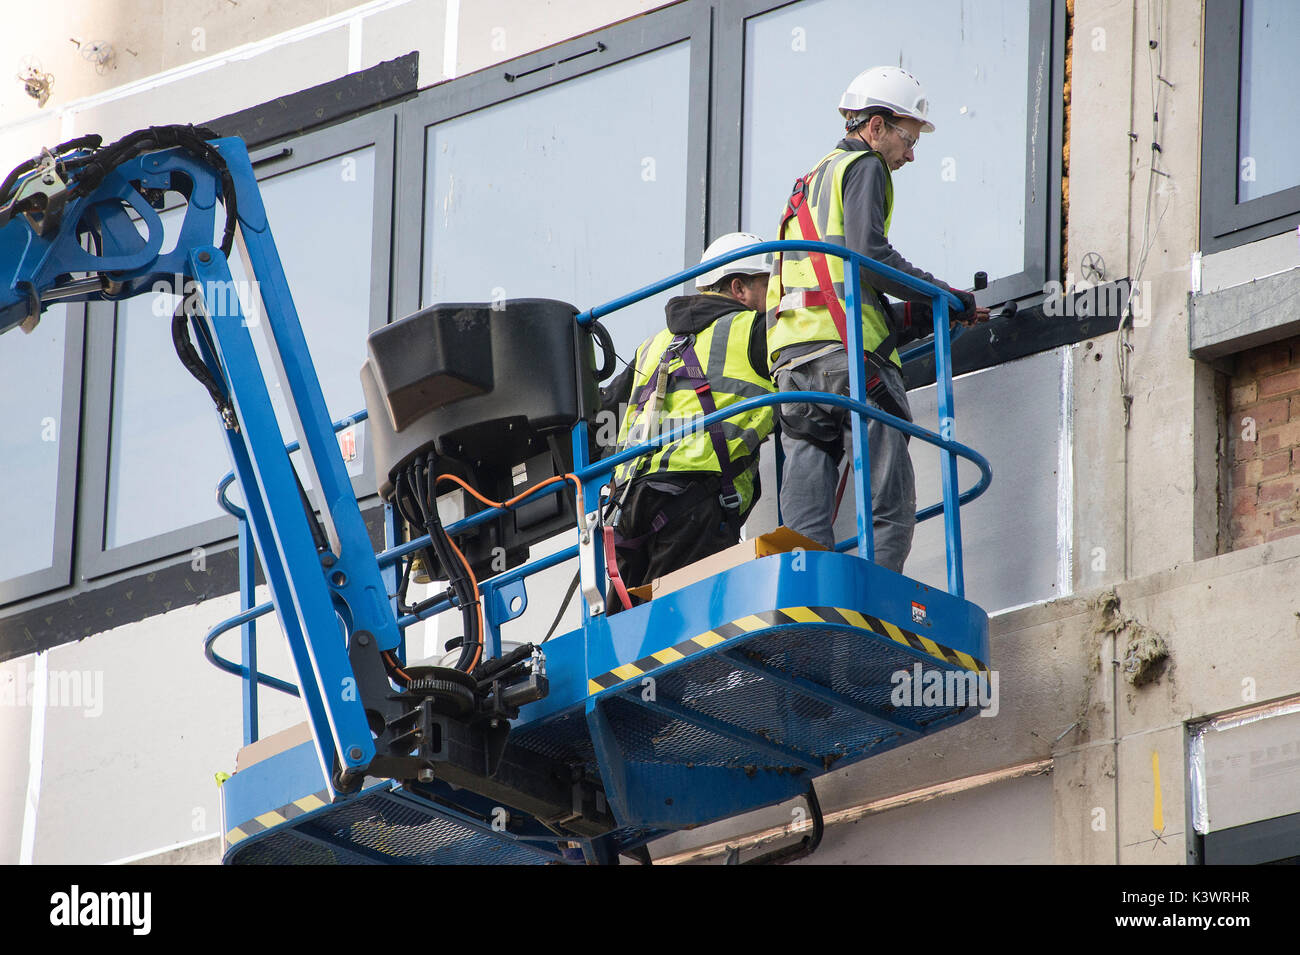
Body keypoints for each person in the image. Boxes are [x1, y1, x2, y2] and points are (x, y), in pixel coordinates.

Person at [766, 66, 988, 571]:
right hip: (850, 363)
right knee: (891, 505)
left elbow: (833, 274)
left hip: (794, 365)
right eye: (908, 139)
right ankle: (877, 608)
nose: (910, 154)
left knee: (805, 512)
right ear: (876, 126)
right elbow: (870, 253)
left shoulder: (809, 181)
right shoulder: (866, 166)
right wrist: (944, 295)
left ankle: (809, 605)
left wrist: (905, 314)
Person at [602, 232, 777, 601]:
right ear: (739, 288)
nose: (773, 297)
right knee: (683, 632)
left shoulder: (651, 347)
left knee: (625, 642)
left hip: (629, 506)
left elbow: (599, 421)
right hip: (696, 503)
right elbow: (825, 337)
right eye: (767, 285)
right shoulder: (756, 331)